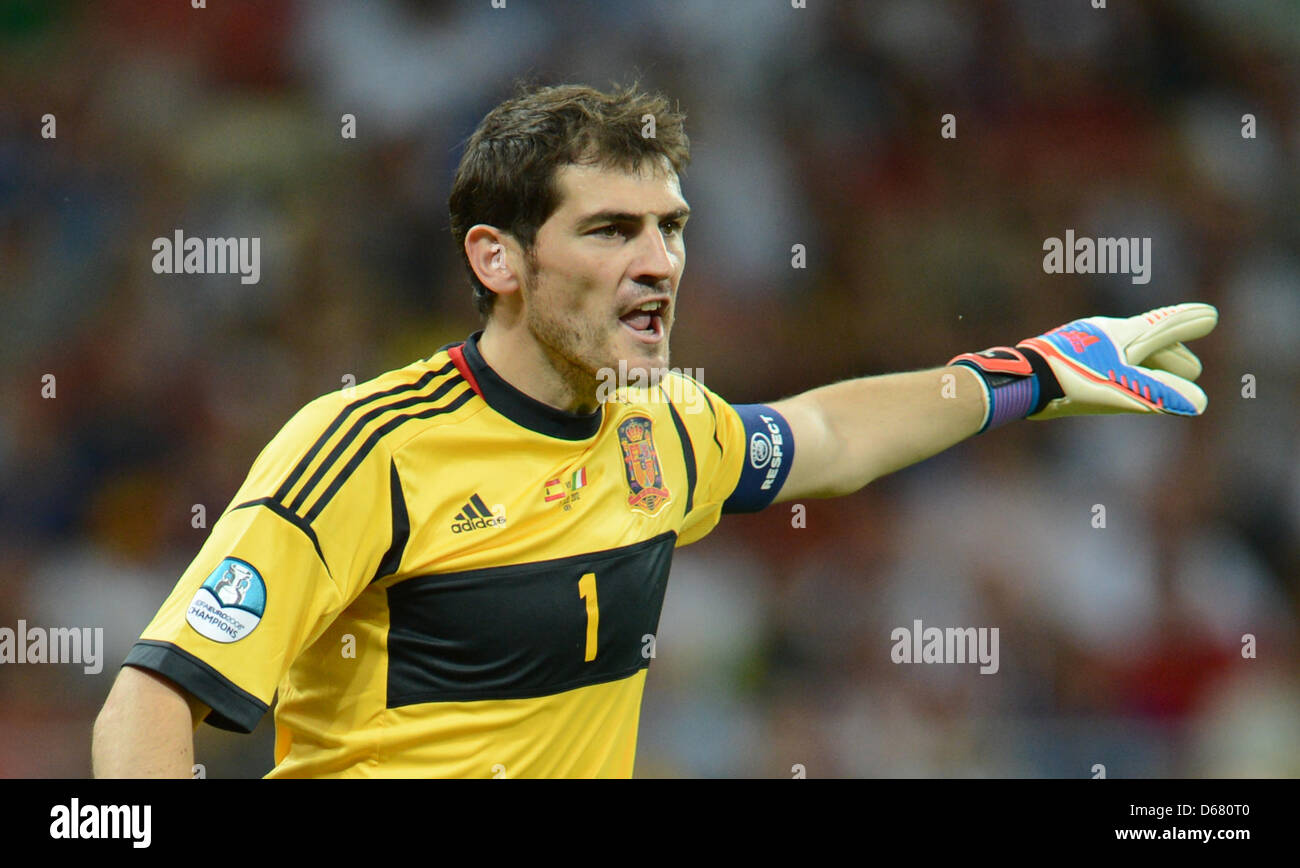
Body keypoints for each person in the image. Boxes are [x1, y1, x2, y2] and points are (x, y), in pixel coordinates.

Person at [92, 82, 1218, 778]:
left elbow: (825, 435)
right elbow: (149, 702)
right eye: (611, 230)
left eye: (671, 229)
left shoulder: (658, 431)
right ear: (498, 259)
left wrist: (1031, 373)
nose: (658, 265)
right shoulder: (367, 448)